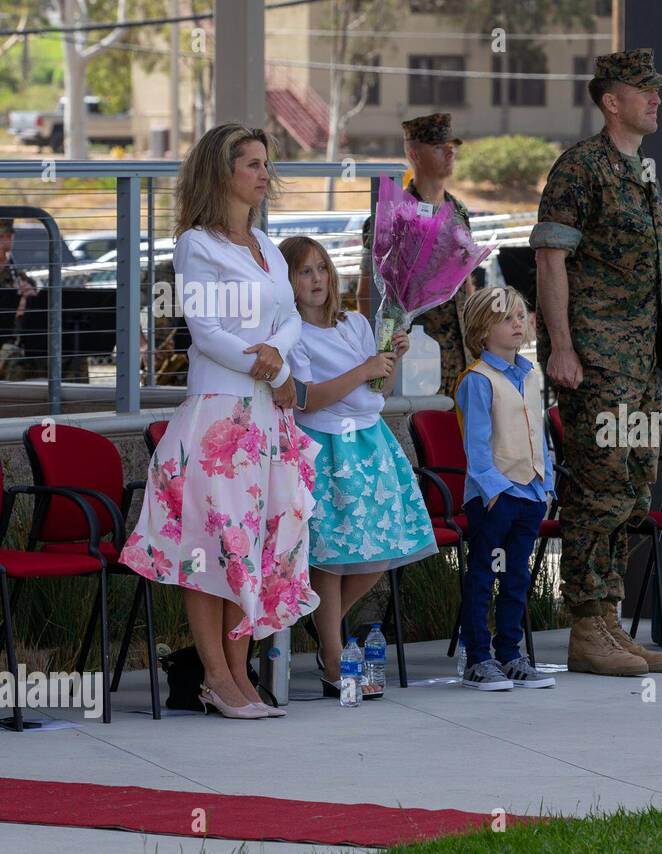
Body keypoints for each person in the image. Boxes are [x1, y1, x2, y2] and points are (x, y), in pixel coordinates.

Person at [121, 123, 320, 719]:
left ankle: (239, 672)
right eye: (252, 163)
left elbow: (290, 317)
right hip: (218, 418)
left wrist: (278, 356)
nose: (264, 173)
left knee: (254, 547)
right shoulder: (196, 244)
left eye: (266, 163)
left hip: (266, 420)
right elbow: (206, 333)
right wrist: (268, 367)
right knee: (210, 549)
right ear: (221, 171)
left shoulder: (264, 243)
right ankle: (214, 675)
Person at [530, 48, 662, 677]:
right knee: (597, 488)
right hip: (596, 360)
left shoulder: (640, 172)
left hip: (640, 361)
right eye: (644, 90)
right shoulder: (580, 168)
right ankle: (586, 626)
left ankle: (610, 619)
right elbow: (549, 259)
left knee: (633, 484)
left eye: (657, 89)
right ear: (611, 102)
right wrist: (563, 346)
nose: (656, 98)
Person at [279, 235, 439, 696]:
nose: (316, 279)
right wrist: (365, 368)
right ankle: (332, 658)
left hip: (369, 443)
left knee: (377, 551)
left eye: (322, 268)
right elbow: (307, 399)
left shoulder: (353, 324)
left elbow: (376, 393)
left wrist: (389, 362)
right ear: (287, 281)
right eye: (304, 271)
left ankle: (319, 623)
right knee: (330, 557)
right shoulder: (292, 334)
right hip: (324, 445)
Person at [453, 286, 557, 691]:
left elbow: (538, 433)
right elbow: (476, 446)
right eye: (505, 318)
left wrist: (546, 484)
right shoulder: (478, 380)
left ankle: (511, 654)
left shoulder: (530, 375)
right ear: (482, 330)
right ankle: (478, 658)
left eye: (519, 316)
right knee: (483, 575)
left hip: (530, 494)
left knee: (517, 577)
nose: (517, 324)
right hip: (494, 498)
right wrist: (494, 491)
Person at [358, 113, 474, 397]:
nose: (450, 153)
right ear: (414, 154)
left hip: (461, 356)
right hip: (414, 357)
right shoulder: (393, 215)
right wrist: (382, 355)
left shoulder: (458, 211)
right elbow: (368, 294)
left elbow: (466, 285)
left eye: (451, 147)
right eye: (438, 148)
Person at [0, 219, 39, 381]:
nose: (6, 241)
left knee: (72, 360)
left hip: (23, 343)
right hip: (6, 346)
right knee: (14, 362)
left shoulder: (21, 278)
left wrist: (30, 302)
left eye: (9, 236)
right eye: (1, 236)